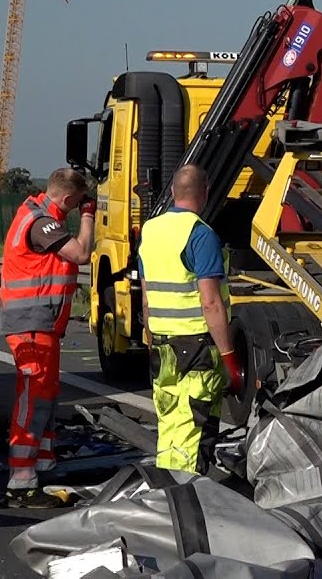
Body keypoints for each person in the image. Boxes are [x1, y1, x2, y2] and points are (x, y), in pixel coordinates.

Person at [0, 167, 95, 508]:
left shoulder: (40, 215)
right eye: (79, 200)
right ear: (68, 198)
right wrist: (88, 217)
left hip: (41, 324)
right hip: (31, 323)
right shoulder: (43, 224)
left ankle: (41, 463)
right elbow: (81, 254)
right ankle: (21, 480)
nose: (82, 204)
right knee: (34, 397)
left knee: (46, 395)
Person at [137, 164, 242, 475]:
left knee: (170, 420)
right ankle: (184, 497)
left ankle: (165, 492)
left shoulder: (150, 231)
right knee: (194, 425)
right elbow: (210, 302)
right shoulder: (200, 234)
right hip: (195, 346)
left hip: (162, 342)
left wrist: (151, 337)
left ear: (172, 193)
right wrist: (228, 357)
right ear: (205, 194)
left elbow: (145, 297)